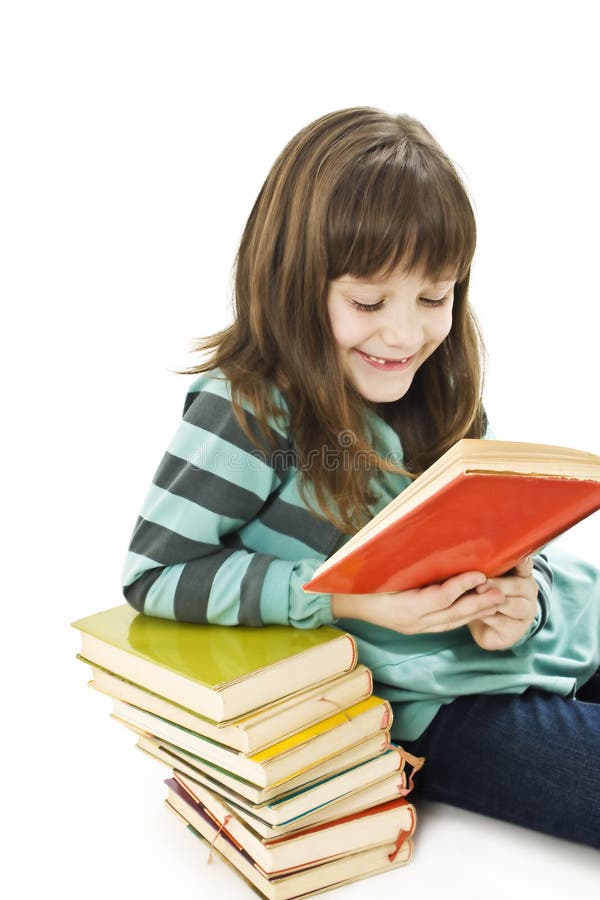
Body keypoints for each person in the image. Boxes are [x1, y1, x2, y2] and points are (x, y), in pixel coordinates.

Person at [122, 107, 600, 848]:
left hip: (547, 635)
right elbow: (156, 573)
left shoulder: (440, 384)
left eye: (435, 298)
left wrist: (519, 602)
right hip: (433, 702)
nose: (406, 334)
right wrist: (344, 598)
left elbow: (504, 540)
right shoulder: (246, 409)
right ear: (294, 281)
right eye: (369, 302)